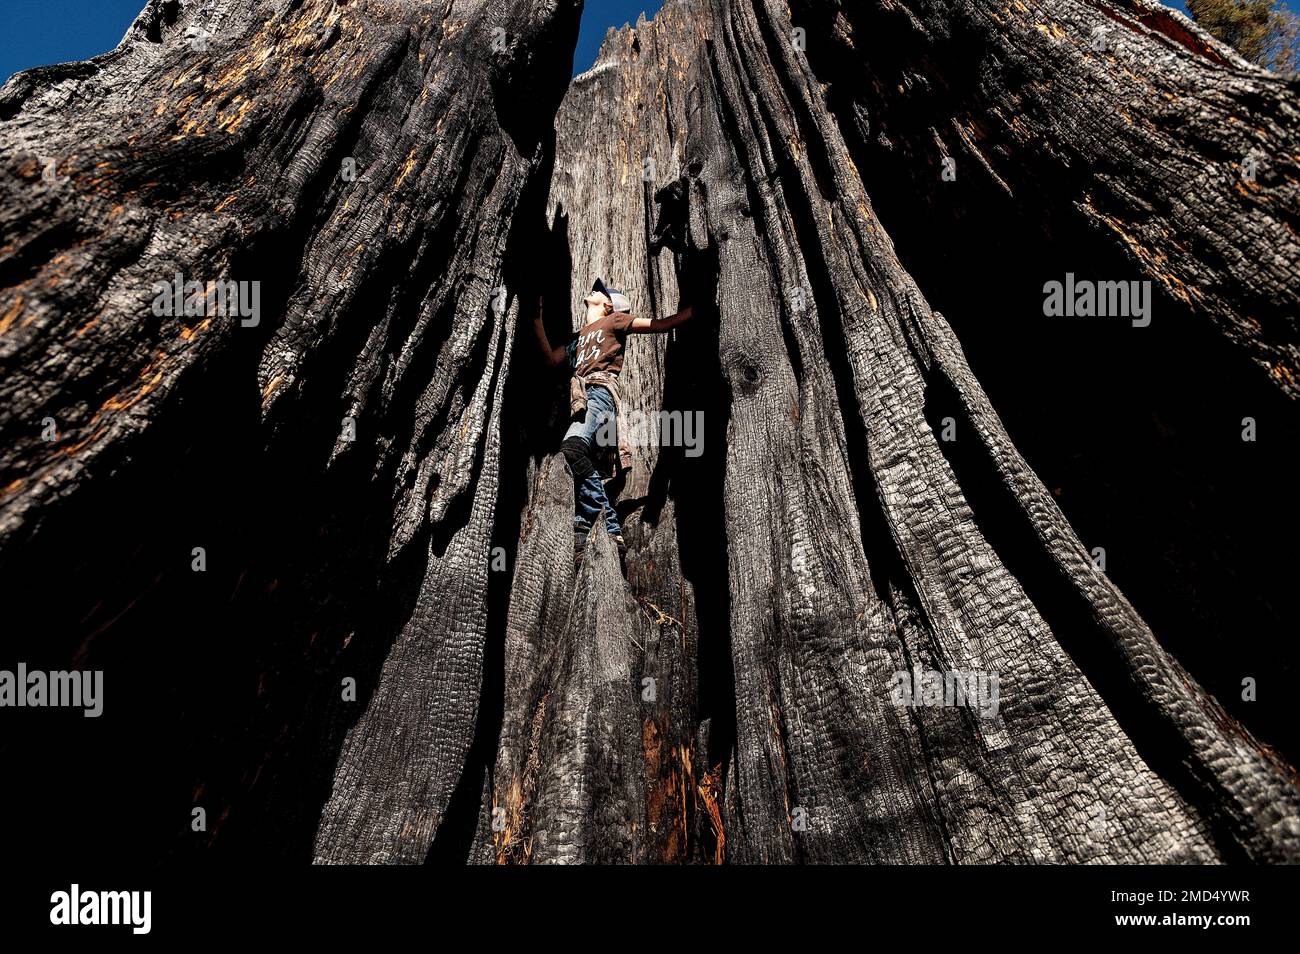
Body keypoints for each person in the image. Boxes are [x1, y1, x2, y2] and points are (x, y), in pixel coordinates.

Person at [533, 279, 693, 560]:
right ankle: (587, 531)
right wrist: (536, 319)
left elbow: (658, 324)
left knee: (572, 447)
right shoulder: (577, 337)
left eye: (600, 291)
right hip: (578, 399)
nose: (593, 290)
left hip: (600, 393)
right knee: (583, 463)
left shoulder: (615, 321)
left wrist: (695, 311)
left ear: (608, 305)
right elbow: (549, 361)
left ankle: (604, 519)